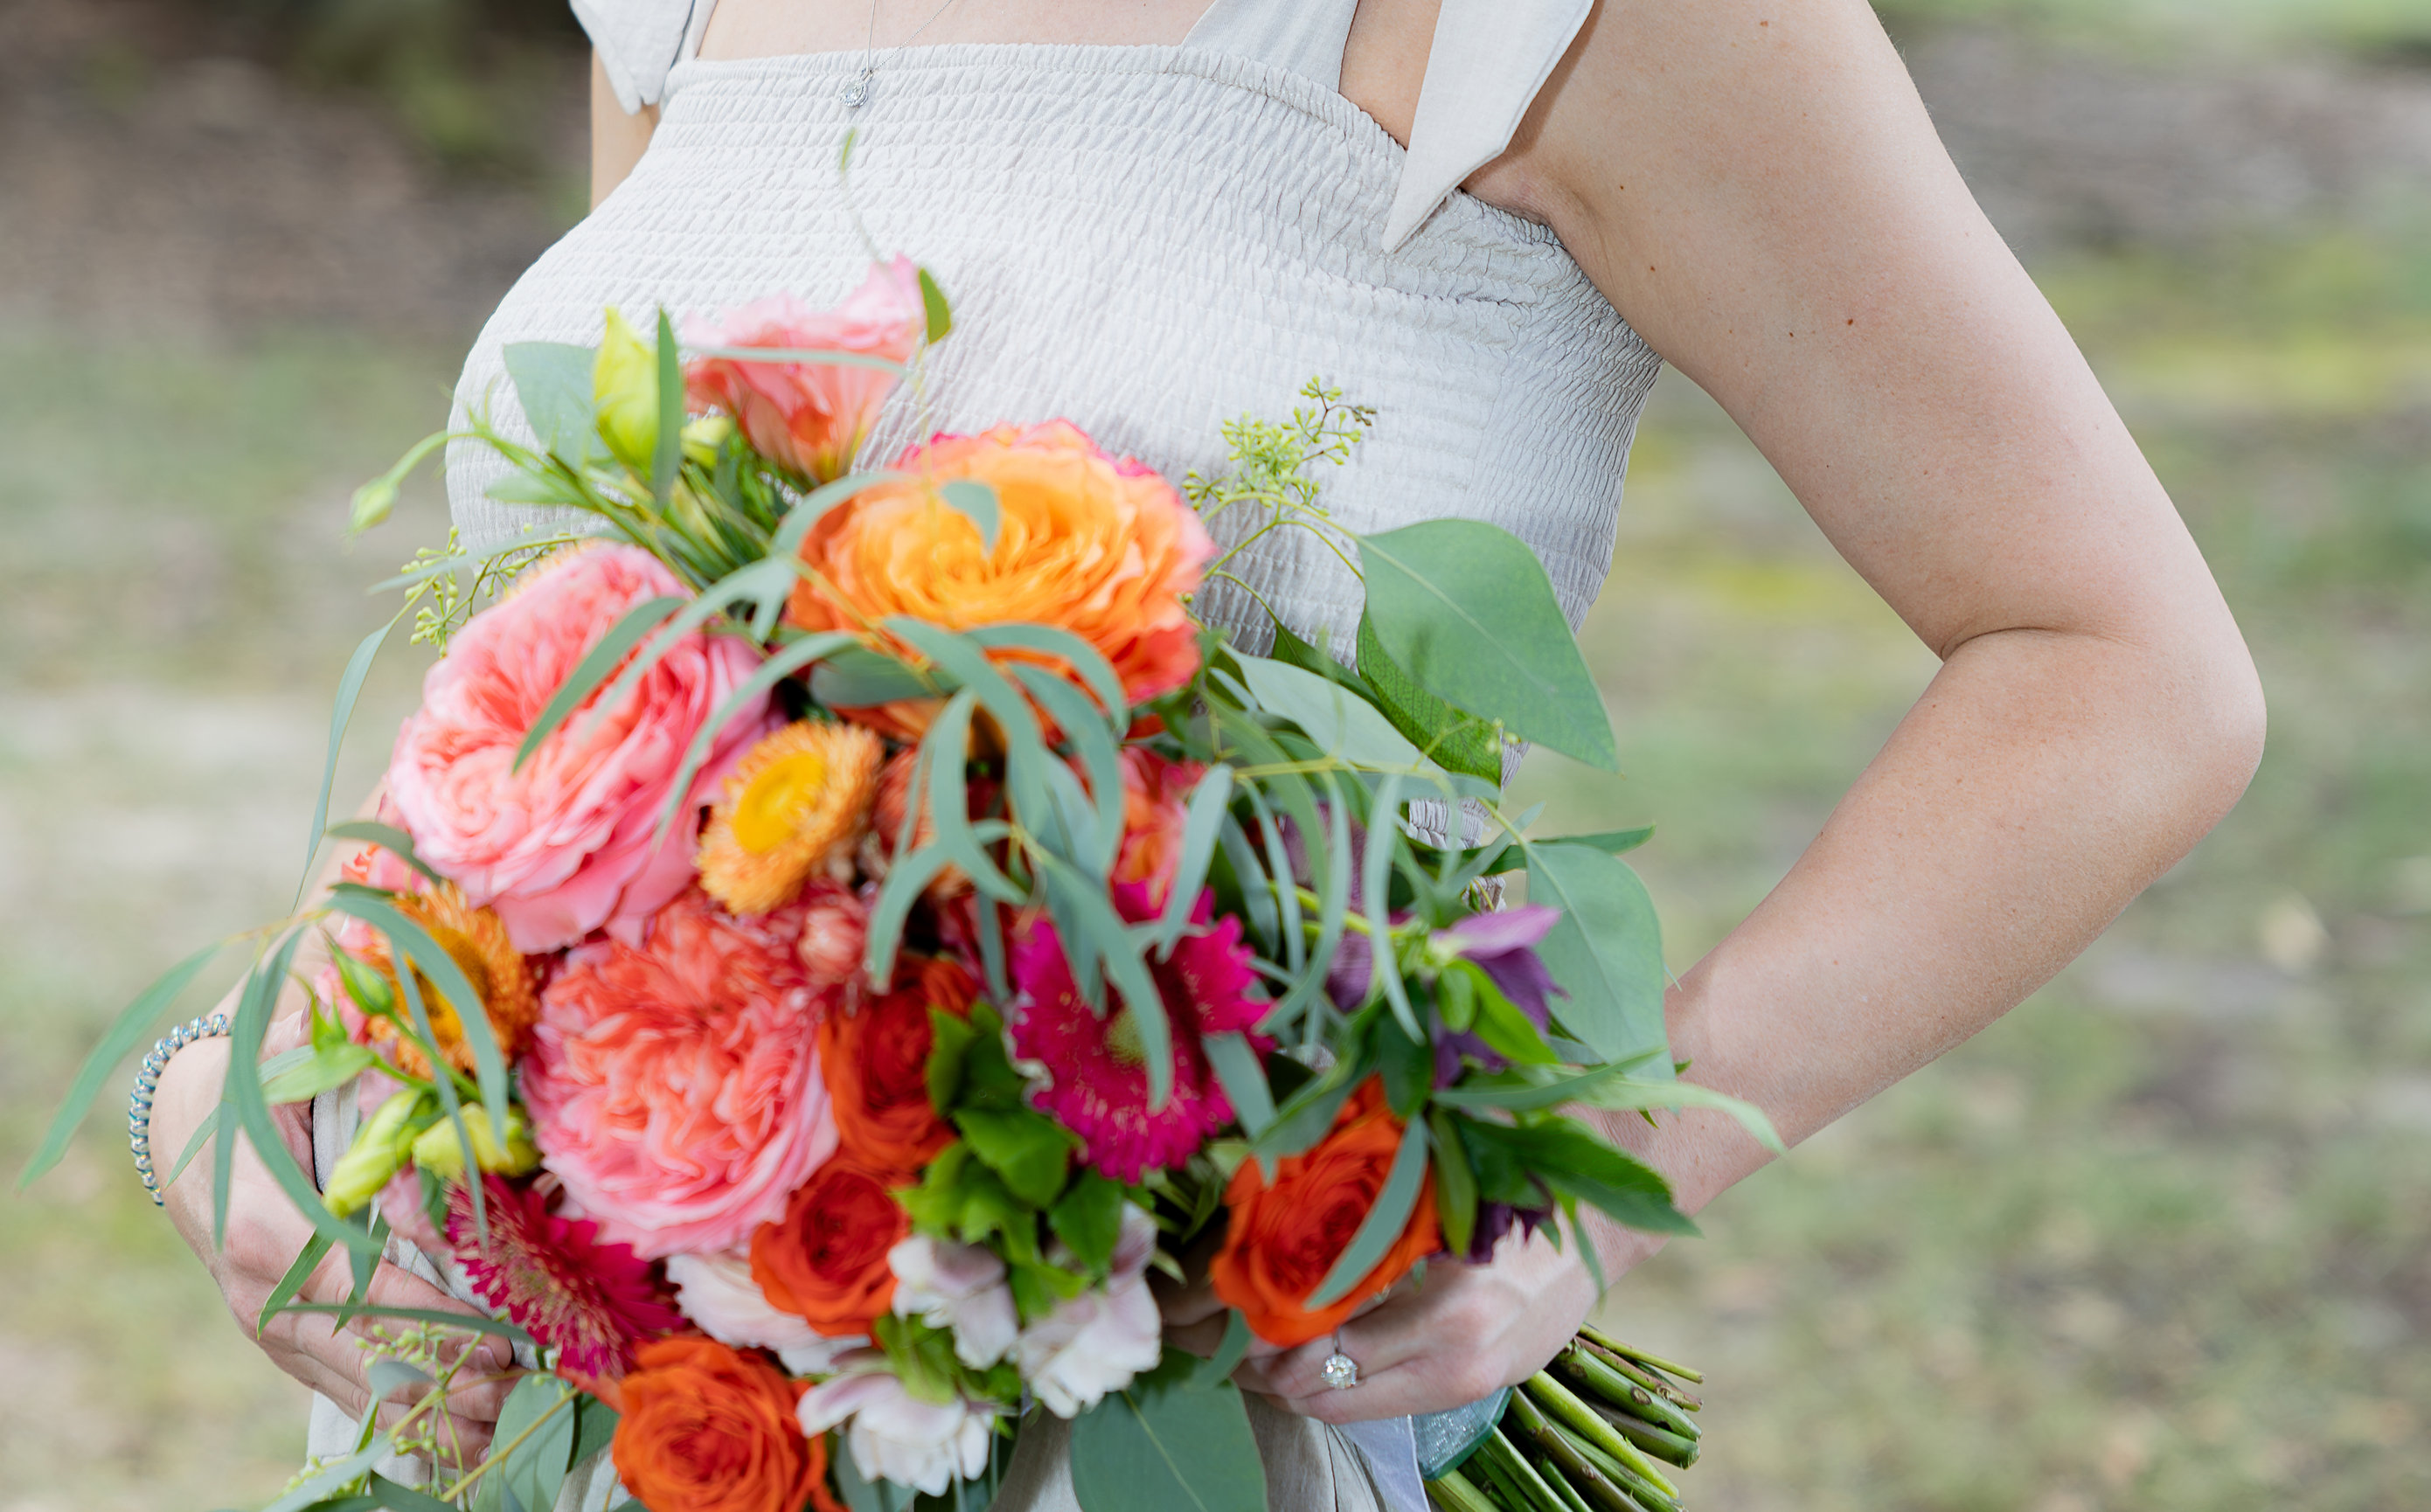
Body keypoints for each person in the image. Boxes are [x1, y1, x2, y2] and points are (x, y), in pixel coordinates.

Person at [143, 0, 2266, 1505]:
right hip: (591, 1421)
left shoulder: (1582, 20)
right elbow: (586, 645)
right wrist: (257, 1074)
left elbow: (2115, 663)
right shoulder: (674, 12)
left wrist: (1615, 1175)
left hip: (1174, 1423)